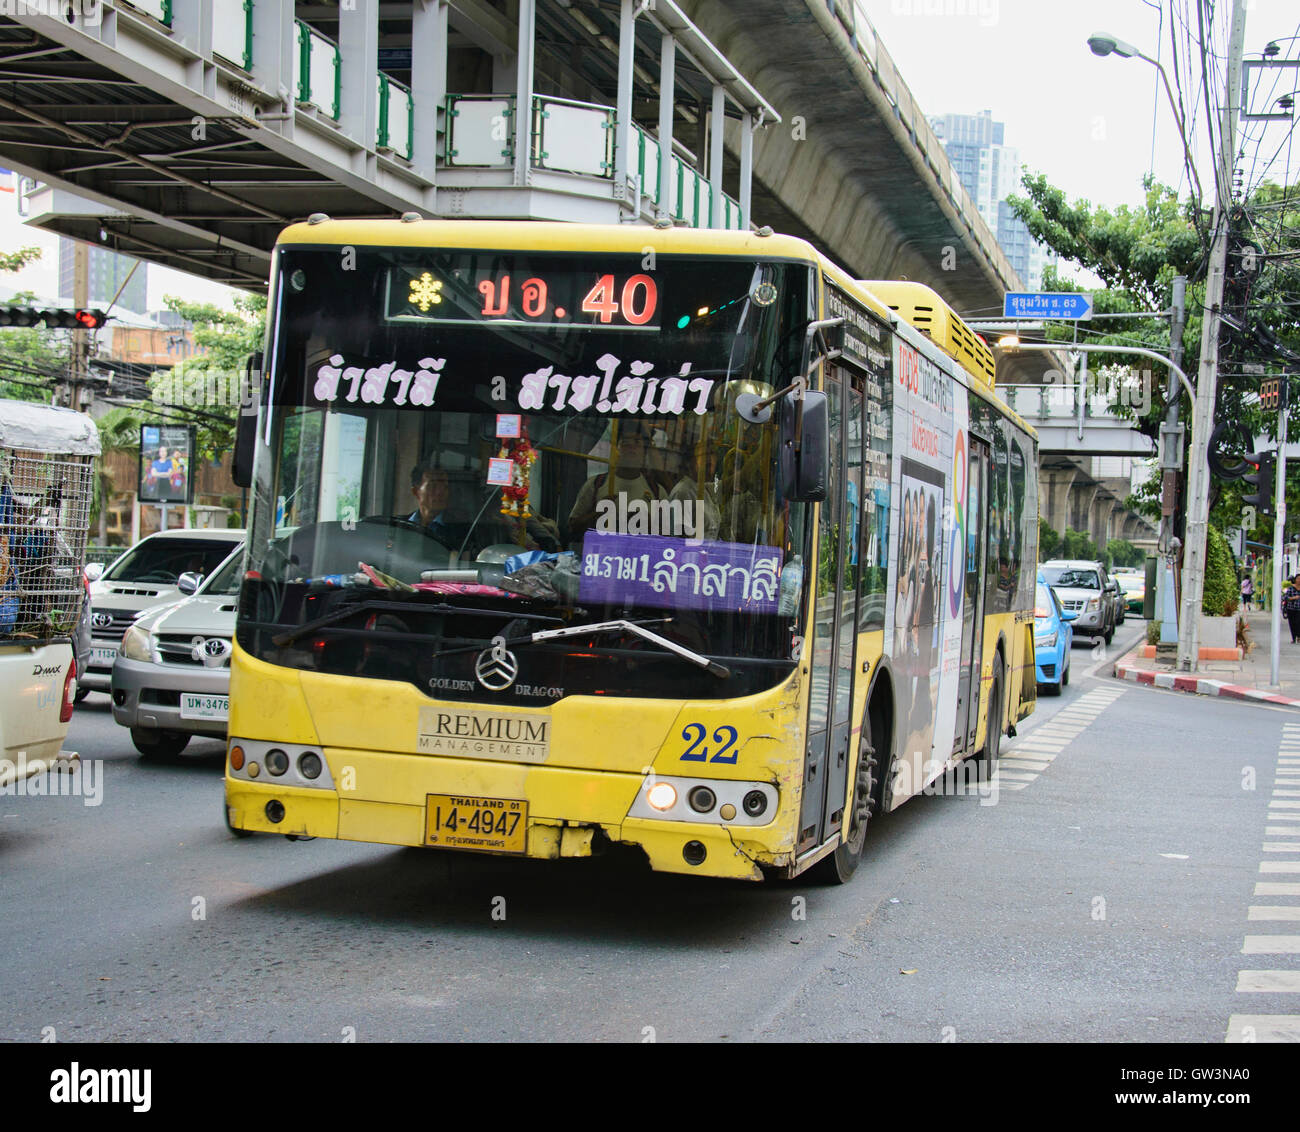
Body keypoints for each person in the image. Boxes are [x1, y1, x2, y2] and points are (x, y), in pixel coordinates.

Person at [567, 422, 670, 538]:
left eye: (637, 442)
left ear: (644, 451)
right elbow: (572, 528)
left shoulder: (657, 492)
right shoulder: (596, 484)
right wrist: (597, 514)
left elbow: (668, 537)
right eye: (625, 443)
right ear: (616, 450)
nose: (631, 448)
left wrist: (649, 526)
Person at [1284, 575, 1300, 644]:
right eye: (1298, 579)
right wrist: (1294, 598)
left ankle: (1298, 636)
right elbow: (1286, 598)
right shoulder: (1291, 588)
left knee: (1298, 623)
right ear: (1295, 580)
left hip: (1299, 609)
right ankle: (1294, 637)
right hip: (1291, 609)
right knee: (1292, 623)